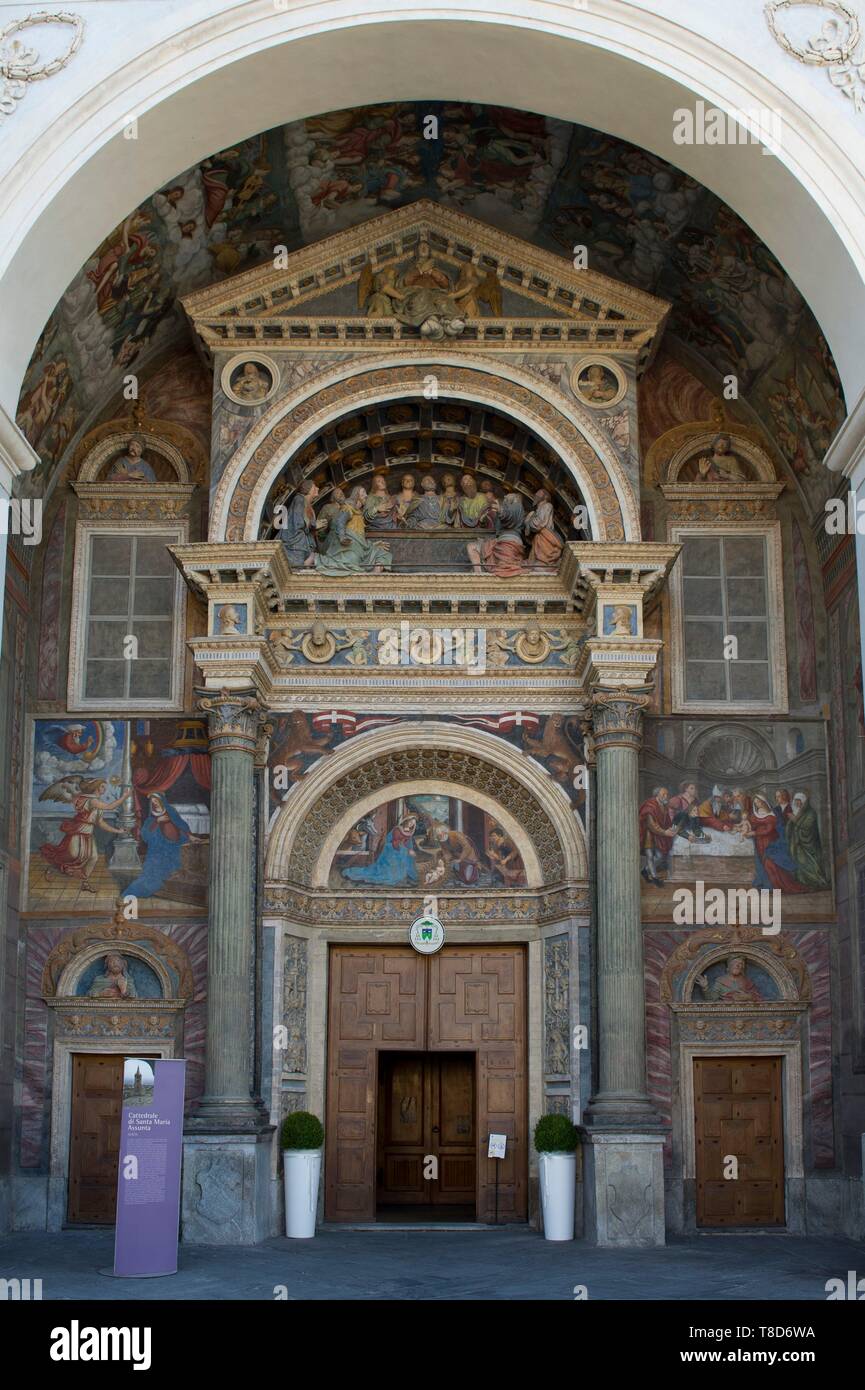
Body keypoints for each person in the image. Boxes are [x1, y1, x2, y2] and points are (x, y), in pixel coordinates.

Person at [40, 779, 128, 893]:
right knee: (73, 855)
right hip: (78, 830)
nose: (104, 789)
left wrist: (117, 831)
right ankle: (53, 868)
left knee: (93, 858)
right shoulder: (92, 800)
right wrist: (124, 797)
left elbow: (100, 823)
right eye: (102, 786)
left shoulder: (97, 803)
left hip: (88, 833)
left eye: (105, 787)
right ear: (96, 787)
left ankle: (85, 883)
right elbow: (110, 807)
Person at [125, 793, 202, 899]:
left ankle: (134, 893)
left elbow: (181, 827)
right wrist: (157, 822)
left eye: (156, 801)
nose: (154, 804)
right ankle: (131, 893)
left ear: (162, 801)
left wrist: (190, 836)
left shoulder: (171, 812)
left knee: (161, 873)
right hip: (155, 852)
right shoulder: (151, 818)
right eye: (152, 802)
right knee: (150, 873)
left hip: (172, 849)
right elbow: (145, 836)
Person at [311, 486, 392, 574]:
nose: (366, 496)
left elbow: (359, 535)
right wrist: (342, 537)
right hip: (349, 547)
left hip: (360, 548)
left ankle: (373, 577)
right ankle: (314, 558)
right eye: (363, 494)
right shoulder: (348, 508)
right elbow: (340, 522)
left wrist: (373, 545)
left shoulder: (358, 514)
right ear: (357, 496)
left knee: (383, 554)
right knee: (350, 563)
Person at [738, 795, 806, 894]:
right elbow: (751, 824)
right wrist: (746, 830)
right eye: (756, 803)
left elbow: (768, 830)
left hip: (769, 842)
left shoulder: (771, 815)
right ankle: (766, 883)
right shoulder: (755, 814)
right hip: (759, 842)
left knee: (769, 862)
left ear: (764, 801)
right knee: (761, 862)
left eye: (759, 802)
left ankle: (774, 885)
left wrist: (755, 833)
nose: (758, 804)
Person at [343, 814, 418, 885]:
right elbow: (394, 842)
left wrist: (409, 850)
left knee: (407, 860)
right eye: (410, 822)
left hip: (401, 851)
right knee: (387, 876)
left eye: (413, 823)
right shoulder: (398, 829)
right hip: (392, 850)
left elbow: (408, 844)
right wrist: (407, 850)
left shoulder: (410, 832)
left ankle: (409, 875)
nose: (411, 824)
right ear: (407, 821)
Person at [466, 492, 526, 576]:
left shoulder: (517, 506)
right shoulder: (505, 509)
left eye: (508, 496)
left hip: (507, 542)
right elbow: (497, 525)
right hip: (499, 541)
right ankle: (478, 574)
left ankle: (479, 574)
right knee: (471, 547)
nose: (505, 496)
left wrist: (501, 510)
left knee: (472, 547)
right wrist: (485, 520)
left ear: (514, 498)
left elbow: (510, 516)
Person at [786, 790, 829, 890]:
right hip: (797, 845)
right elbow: (790, 828)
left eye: (799, 801)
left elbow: (807, 828)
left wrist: (795, 820)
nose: (797, 803)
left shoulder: (810, 813)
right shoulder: (796, 812)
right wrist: (792, 822)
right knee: (799, 865)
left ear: (803, 802)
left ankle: (816, 882)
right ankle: (803, 884)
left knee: (808, 864)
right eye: (795, 801)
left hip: (808, 846)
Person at [639, 786, 674, 886]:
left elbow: (666, 821)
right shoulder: (650, 806)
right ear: (657, 794)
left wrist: (670, 829)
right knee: (650, 856)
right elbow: (651, 825)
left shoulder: (663, 805)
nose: (666, 796)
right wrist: (665, 832)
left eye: (667, 794)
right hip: (648, 835)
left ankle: (645, 871)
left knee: (659, 856)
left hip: (659, 835)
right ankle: (655, 878)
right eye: (664, 794)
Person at [280, 479, 319, 567]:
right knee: (298, 566)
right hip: (296, 540)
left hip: (304, 540)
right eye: (314, 487)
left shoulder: (310, 506)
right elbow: (298, 521)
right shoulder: (299, 499)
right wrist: (314, 525)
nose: (317, 488)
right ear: (308, 489)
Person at [695, 956, 763, 1004]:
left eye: (740, 964)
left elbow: (758, 997)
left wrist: (748, 996)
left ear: (743, 968)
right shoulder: (721, 981)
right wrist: (705, 987)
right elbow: (711, 999)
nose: (737, 965)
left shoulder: (748, 982)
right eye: (735, 963)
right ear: (728, 967)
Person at [524, 487, 563, 568]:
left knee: (543, 558)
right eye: (536, 494)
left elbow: (539, 524)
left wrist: (529, 520)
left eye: (539, 494)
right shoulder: (538, 509)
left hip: (545, 536)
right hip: (540, 536)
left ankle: (543, 562)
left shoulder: (547, 506)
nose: (536, 495)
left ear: (545, 496)